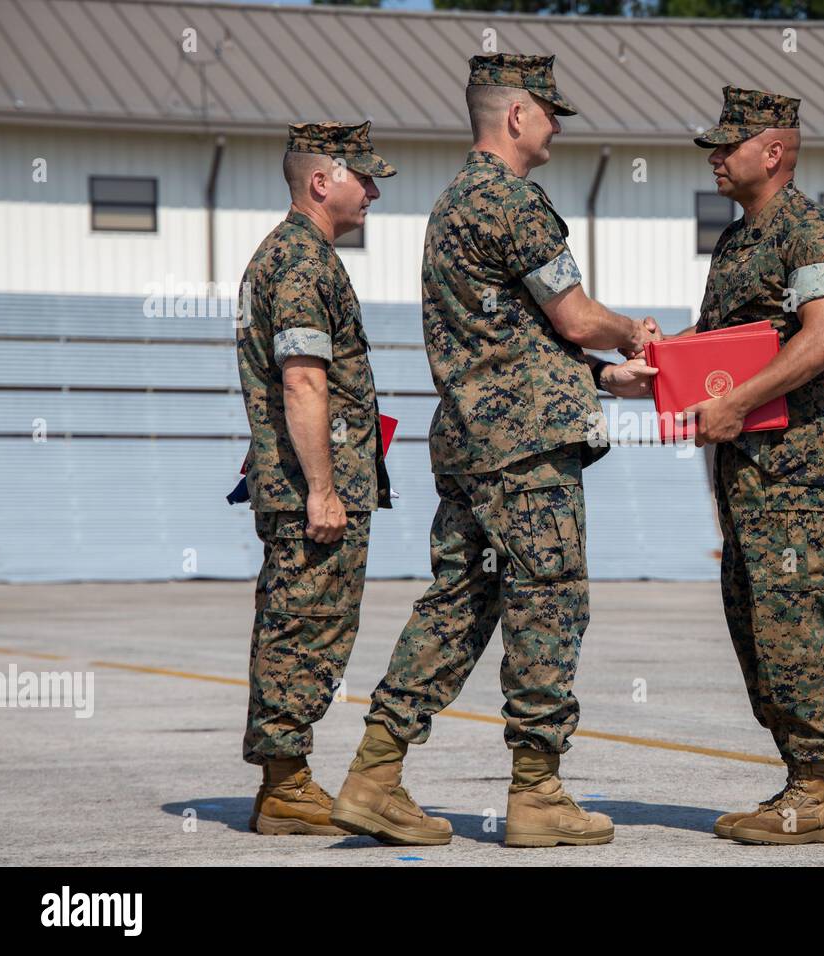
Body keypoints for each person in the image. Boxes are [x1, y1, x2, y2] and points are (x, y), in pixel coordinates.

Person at [330, 54, 659, 848]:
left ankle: (374, 775)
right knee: (548, 603)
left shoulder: (449, 207)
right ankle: (537, 791)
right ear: (517, 116)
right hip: (530, 453)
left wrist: (608, 381)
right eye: (550, 113)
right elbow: (574, 317)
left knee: (457, 604)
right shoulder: (514, 202)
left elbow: (518, 339)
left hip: (474, 445)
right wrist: (633, 331)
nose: (555, 127)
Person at [681, 86, 824, 845]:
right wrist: (648, 363)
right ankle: (798, 780)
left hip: (794, 468)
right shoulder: (736, 241)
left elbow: (821, 340)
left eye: (730, 145)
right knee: (754, 624)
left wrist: (732, 404)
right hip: (745, 471)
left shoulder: (812, 231)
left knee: (792, 623)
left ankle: (819, 791)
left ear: (774, 152)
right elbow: (715, 344)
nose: (717, 157)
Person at [236, 121, 396, 835]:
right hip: (311, 491)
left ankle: (288, 778)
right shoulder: (300, 262)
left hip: (306, 484)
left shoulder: (295, 256)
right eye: (364, 178)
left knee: (305, 623)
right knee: (304, 627)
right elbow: (303, 383)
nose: (373, 192)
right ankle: (285, 785)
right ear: (321, 181)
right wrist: (323, 490)